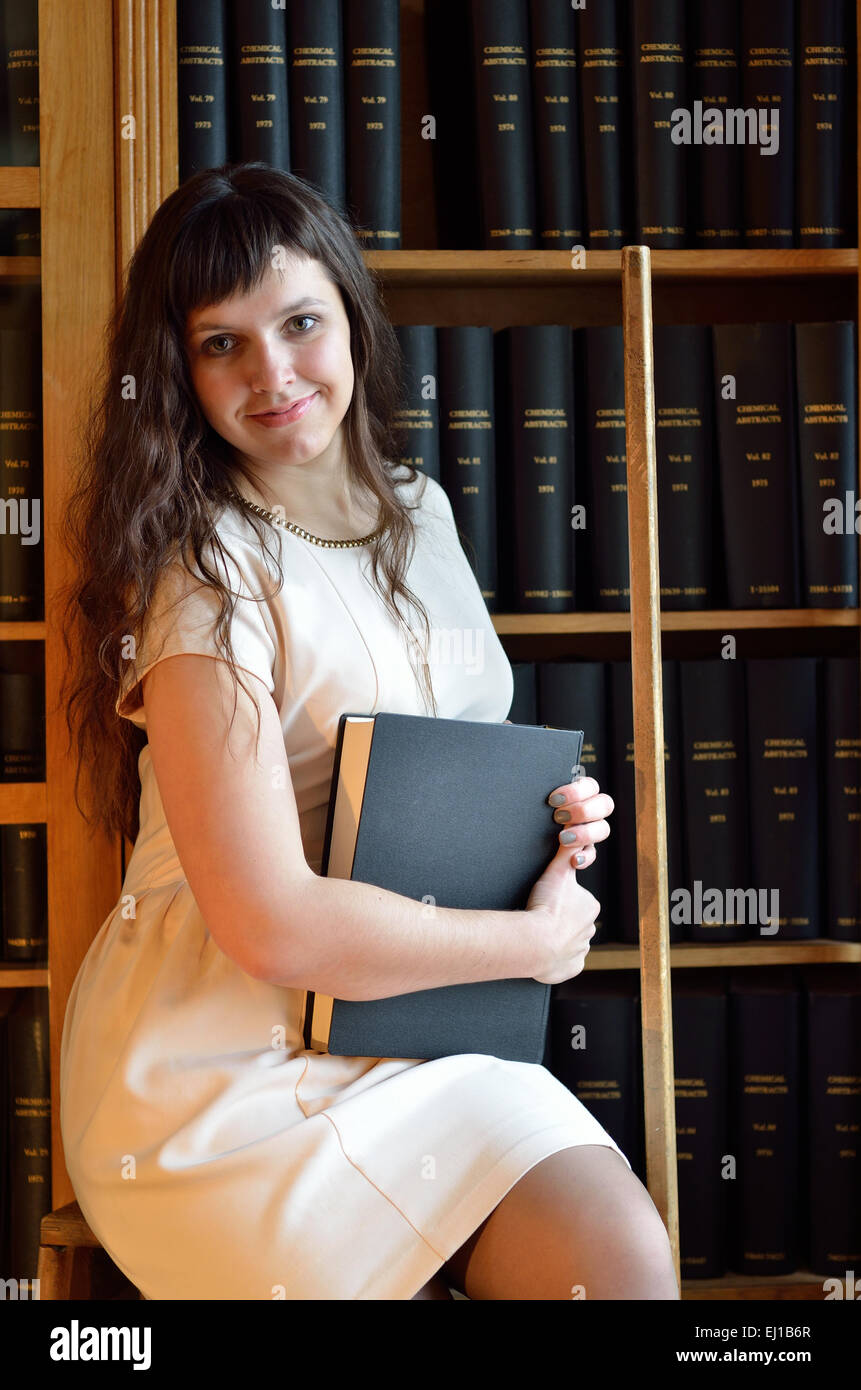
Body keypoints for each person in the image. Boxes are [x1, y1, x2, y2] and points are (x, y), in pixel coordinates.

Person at [57, 162, 679, 1301]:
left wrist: (544, 841)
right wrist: (530, 949)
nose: (273, 374)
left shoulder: (423, 511)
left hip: (420, 1031)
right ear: (179, 372)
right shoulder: (205, 571)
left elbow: (425, 781)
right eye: (220, 345)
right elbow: (272, 926)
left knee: (624, 1265)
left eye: (299, 322)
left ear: (350, 311)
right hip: (224, 1074)